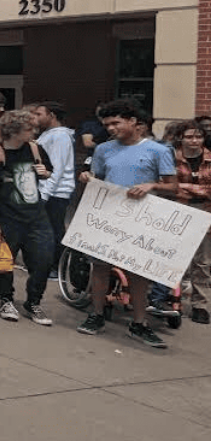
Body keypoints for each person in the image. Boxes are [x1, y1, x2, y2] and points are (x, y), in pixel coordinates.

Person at [77, 99, 178, 347]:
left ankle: (139, 323)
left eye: (116, 123)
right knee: (100, 267)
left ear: (133, 122)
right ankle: (96, 314)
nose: (111, 129)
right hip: (109, 216)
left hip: (141, 219)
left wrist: (152, 185)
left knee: (138, 273)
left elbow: (173, 186)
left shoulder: (158, 150)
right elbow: (98, 178)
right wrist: (87, 177)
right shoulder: (103, 149)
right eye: (107, 124)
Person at [0, 108, 56, 328]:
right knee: (5, 262)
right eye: (29, 128)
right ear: (13, 130)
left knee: (43, 260)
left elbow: (49, 171)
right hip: (8, 217)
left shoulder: (36, 149)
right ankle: (6, 299)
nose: (34, 131)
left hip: (37, 216)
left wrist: (46, 173)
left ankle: (33, 302)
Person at [164, 119, 210, 324]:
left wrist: (184, 188)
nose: (194, 141)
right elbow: (167, 185)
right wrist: (187, 189)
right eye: (189, 136)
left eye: (198, 136)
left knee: (202, 261)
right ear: (180, 138)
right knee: (175, 256)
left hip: (205, 210)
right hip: (177, 210)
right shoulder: (170, 158)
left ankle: (201, 305)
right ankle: (174, 298)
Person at [32, 101, 76, 249]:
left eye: (39, 114)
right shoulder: (47, 134)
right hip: (47, 191)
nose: (35, 117)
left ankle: (56, 267)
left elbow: (57, 169)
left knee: (53, 231)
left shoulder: (60, 136)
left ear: (51, 115)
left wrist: (44, 195)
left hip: (55, 193)